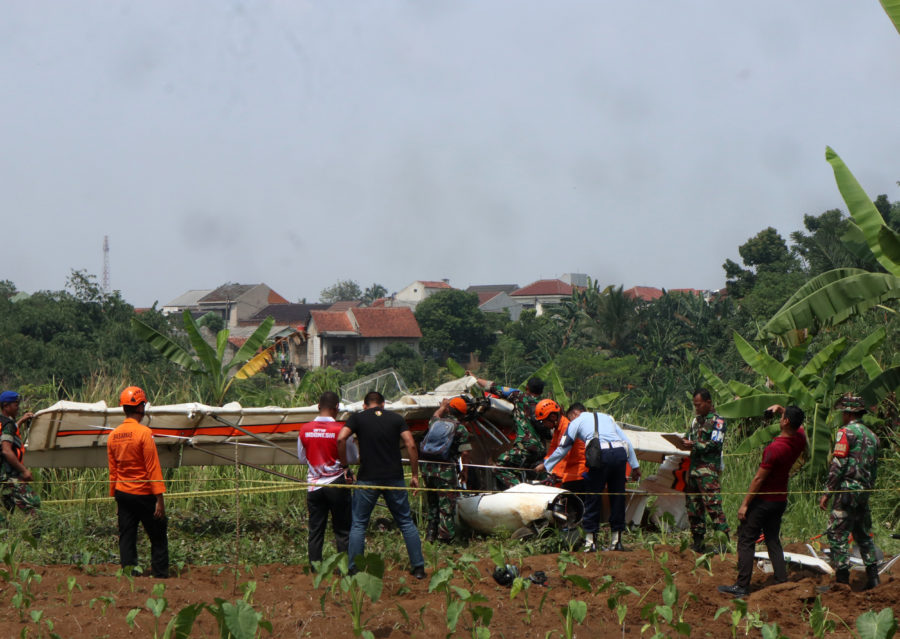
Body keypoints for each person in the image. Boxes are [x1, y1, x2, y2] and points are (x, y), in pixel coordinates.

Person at [718, 405, 807, 597]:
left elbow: (758, 479)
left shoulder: (774, 449)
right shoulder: (799, 439)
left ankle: (742, 586)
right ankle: (781, 579)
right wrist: (782, 409)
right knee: (773, 539)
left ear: (785, 422)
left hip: (763, 501)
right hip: (780, 499)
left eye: (783, 416)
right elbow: (799, 427)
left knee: (746, 539)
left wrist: (745, 504)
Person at [338, 391, 426, 579]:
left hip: (367, 477)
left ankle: (354, 569)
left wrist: (345, 466)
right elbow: (410, 444)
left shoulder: (357, 418)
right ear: (383, 404)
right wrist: (415, 474)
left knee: (359, 524)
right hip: (394, 477)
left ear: (364, 405)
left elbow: (340, 438)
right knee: (405, 522)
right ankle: (418, 568)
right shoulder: (396, 418)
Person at [536, 407, 641, 552]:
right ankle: (617, 542)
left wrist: (546, 464)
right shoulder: (608, 417)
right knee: (617, 497)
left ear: (574, 414)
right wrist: (635, 467)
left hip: (600, 455)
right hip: (619, 454)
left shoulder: (575, 422)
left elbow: (563, 447)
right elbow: (626, 442)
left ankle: (590, 543)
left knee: (593, 497)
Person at [819, 394, 880, 590]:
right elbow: (874, 469)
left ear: (848, 413)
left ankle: (842, 579)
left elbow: (838, 465)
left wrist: (828, 492)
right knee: (863, 534)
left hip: (846, 491)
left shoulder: (845, 433)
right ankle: (873, 577)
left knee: (837, 533)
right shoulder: (873, 436)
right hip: (863, 492)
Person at [107, 386, 168, 578]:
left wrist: (115, 497)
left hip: (123, 494)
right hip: (144, 494)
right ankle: (159, 574)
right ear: (140, 407)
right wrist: (160, 499)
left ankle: (129, 574)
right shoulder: (144, 433)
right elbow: (153, 468)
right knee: (158, 536)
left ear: (124, 408)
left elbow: (113, 471)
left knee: (127, 536)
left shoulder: (113, 435)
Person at [297, 391, 357, 569]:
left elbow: (301, 459)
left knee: (315, 530)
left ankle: (315, 567)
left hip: (314, 486)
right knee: (342, 529)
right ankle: (344, 567)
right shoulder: (342, 430)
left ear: (318, 406)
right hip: (337, 483)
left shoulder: (304, 429)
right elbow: (353, 458)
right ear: (336, 408)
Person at [470, 374, 546, 489]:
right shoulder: (545, 404)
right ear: (541, 392)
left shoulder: (519, 397)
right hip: (542, 451)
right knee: (530, 472)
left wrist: (474, 378)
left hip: (526, 447)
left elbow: (492, 387)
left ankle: (521, 490)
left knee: (499, 467)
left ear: (527, 388)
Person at [683, 389, 730, 553]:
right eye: (694, 405)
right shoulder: (695, 422)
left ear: (708, 403)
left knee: (714, 507)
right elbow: (687, 437)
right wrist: (682, 442)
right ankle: (698, 542)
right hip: (693, 471)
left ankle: (723, 544)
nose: (696, 408)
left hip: (708, 472)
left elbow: (715, 444)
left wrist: (694, 445)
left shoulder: (718, 421)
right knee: (693, 508)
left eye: (699, 404)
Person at [420, 397, 472, 543]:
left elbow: (435, 415)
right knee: (446, 505)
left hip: (427, 469)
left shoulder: (435, 422)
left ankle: (431, 535)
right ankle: (445, 538)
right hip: (445, 470)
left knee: (432, 502)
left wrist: (442, 406)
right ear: (462, 414)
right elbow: (466, 452)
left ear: (449, 409)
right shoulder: (460, 428)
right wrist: (465, 471)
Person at [0, 390, 41, 518]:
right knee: (33, 503)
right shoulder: (8, 424)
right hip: (9, 475)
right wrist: (24, 470)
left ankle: (7, 537)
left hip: (2, 476)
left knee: (6, 512)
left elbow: (8, 434)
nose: (18, 407)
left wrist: (21, 421)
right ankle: (38, 536)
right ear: (6, 406)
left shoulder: (3, 423)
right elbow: (6, 450)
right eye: (15, 404)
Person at [538, 400, 587, 493]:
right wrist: (545, 461)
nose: (543, 425)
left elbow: (564, 454)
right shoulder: (558, 428)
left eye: (543, 421)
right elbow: (553, 448)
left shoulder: (566, 426)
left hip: (577, 472)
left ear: (552, 417)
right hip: (569, 471)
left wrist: (554, 474)